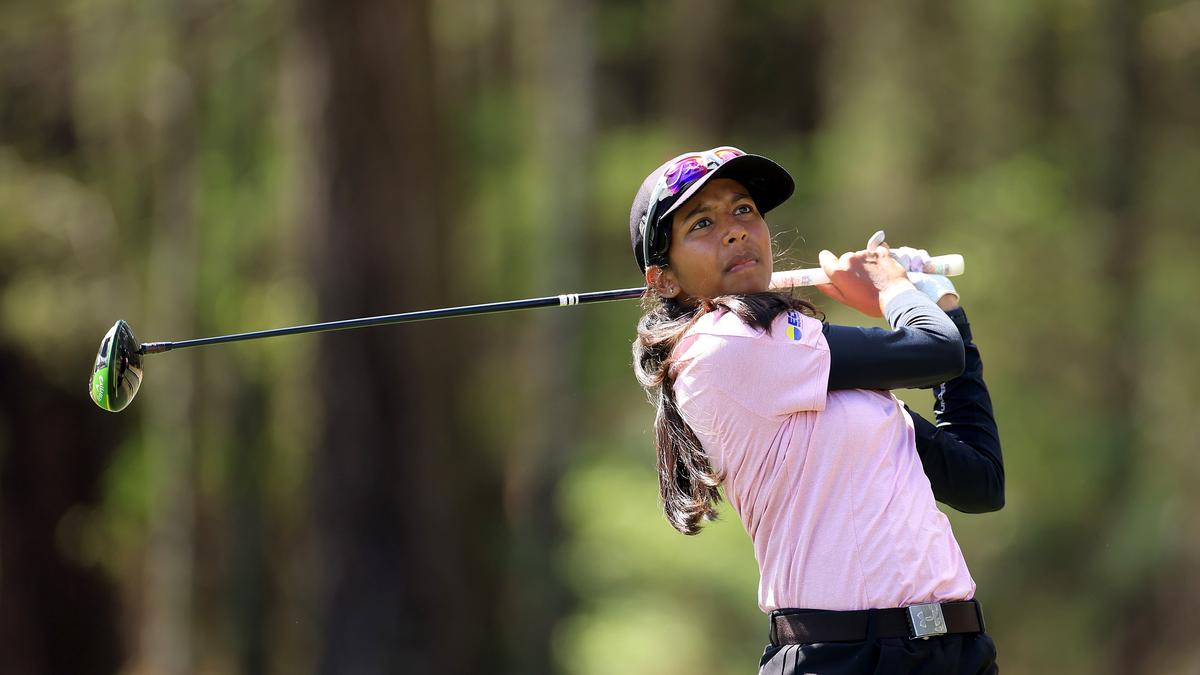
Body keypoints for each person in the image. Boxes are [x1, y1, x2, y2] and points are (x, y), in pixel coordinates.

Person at [629, 146, 1003, 674]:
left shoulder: (819, 370)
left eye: (743, 210)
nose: (734, 231)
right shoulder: (725, 343)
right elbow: (934, 352)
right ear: (664, 279)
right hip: (845, 657)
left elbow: (979, 482)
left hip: (954, 651)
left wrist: (944, 309)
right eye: (702, 223)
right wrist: (895, 289)